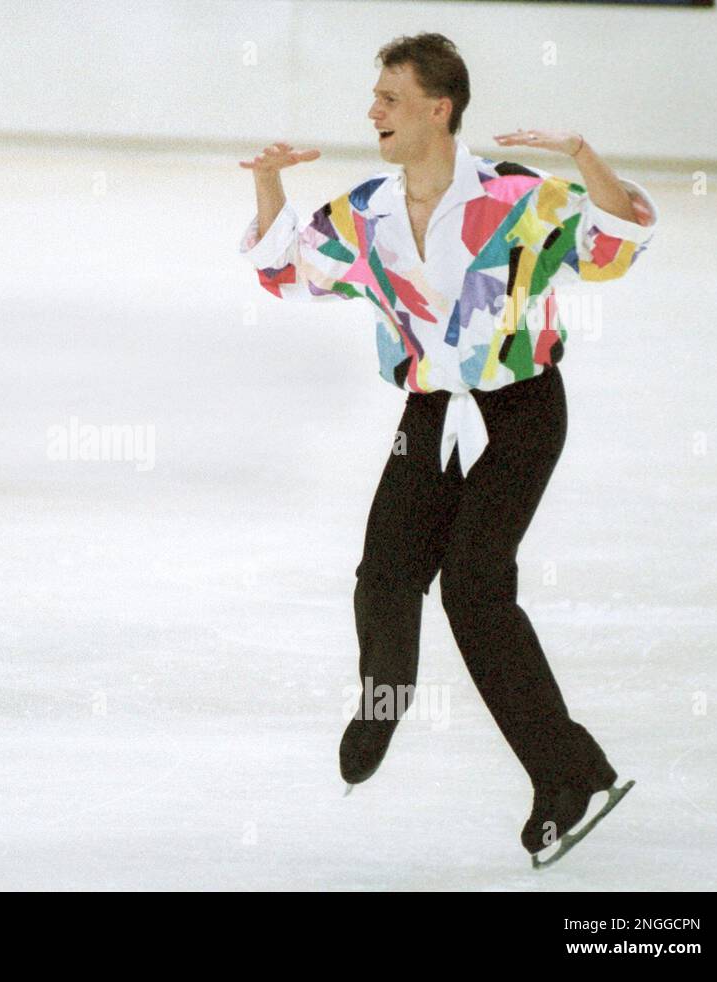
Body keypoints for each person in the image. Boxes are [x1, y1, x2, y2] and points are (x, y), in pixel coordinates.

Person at [237, 33, 656, 863]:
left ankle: (562, 776)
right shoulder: (367, 214)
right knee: (384, 574)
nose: (373, 111)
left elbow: (620, 238)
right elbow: (282, 270)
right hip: (432, 412)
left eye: (390, 97)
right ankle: (385, 699)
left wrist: (580, 154)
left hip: (521, 411)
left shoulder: (514, 199)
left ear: (441, 107)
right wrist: (268, 181)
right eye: (375, 95)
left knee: (473, 587)